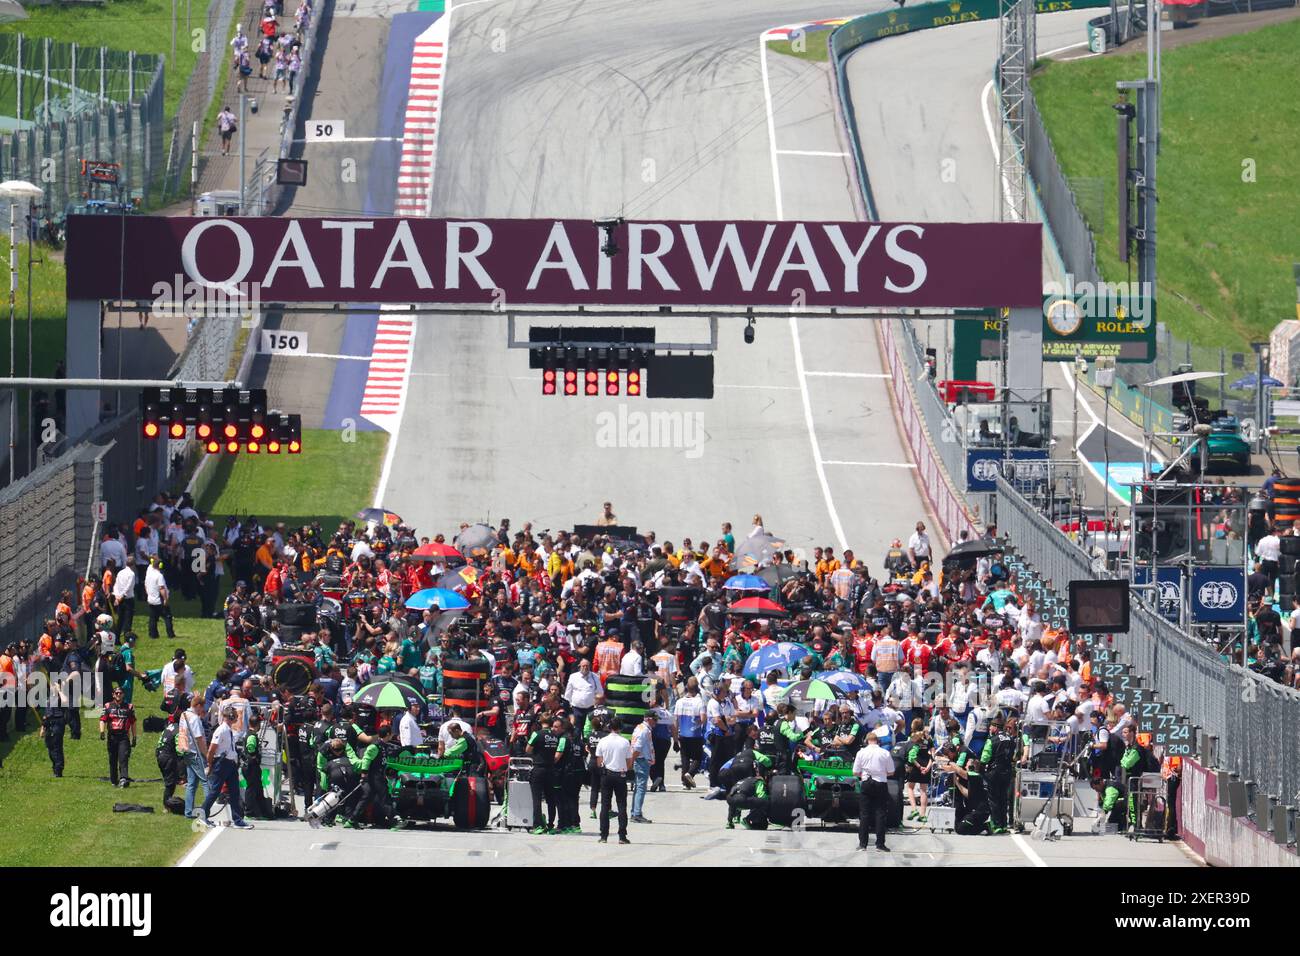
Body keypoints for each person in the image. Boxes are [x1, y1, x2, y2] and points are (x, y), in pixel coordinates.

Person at [201, 705, 255, 829]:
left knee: (235, 792)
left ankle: (237, 819)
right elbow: (211, 750)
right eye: (235, 716)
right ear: (230, 717)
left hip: (230, 764)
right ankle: (203, 814)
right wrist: (210, 766)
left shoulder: (228, 730)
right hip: (222, 763)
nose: (236, 718)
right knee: (215, 791)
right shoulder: (221, 730)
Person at [852, 731, 894, 851]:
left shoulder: (861, 752)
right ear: (878, 741)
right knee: (880, 813)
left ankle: (862, 844)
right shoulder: (885, 752)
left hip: (866, 781)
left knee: (864, 814)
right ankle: (880, 844)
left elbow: (855, 772)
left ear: (866, 741)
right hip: (880, 782)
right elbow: (891, 771)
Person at [595, 718, 633, 844]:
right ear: (620, 728)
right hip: (620, 774)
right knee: (622, 805)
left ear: (609, 727)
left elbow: (599, 761)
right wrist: (624, 769)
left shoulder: (603, 741)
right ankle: (622, 835)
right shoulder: (625, 742)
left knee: (605, 805)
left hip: (606, 774)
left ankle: (603, 835)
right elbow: (629, 762)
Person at [99, 685, 137, 788]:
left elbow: (133, 723)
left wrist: (134, 737)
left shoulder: (129, 707)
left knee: (123, 757)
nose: (118, 695)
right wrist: (102, 732)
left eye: (120, 693)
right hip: (112, 736)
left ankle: (123, 778)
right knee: (113, 759)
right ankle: (113, 780)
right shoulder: (107, 706)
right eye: (116, 693)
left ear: (123, 694)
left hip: (124, 737)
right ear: (113, 695)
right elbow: (102, 719)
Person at [629, 710, 656, 824]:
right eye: (655, 720)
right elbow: (637, 748)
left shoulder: (639, 727)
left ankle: (635, 812)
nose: (656, 722)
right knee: (641, 787)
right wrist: (631, 761)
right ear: (648, 719)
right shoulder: (644, 730)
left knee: (638, 787)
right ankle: (637, 814)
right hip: (641, 760)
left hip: (641, 760)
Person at [144, 556, 177, 640]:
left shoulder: (149, 575)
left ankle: (153, 635)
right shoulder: (159, 576)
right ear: (160, 565)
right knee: (167, 617)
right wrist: (165, 599)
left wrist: (149, 595)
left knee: (153, 618)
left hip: (151, 600)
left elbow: (145, 585)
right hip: (159, 600)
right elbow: (161, 588)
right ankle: (170, 634)